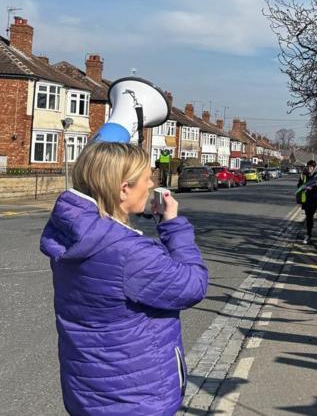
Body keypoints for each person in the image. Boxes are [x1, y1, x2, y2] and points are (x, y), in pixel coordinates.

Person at [40, 142, 209, 415]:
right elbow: (193, 285)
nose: (152, 183)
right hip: (135, 398)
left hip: (87, 392)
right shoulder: (131, 254)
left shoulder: (71, 236)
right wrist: (172, 225)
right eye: (146, 178)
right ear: (123, 189)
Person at [298, 160, 317, 244]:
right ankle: (309, 234)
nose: (309, 168)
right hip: (307, 199)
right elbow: (299, 185)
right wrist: (304, 187)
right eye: (308, 167)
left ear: (314, 168)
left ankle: (309, 234)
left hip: (316, 198)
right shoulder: (304, 175)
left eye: (311, 167)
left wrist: (312, 188)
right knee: (309, 217)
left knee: (310, 215)